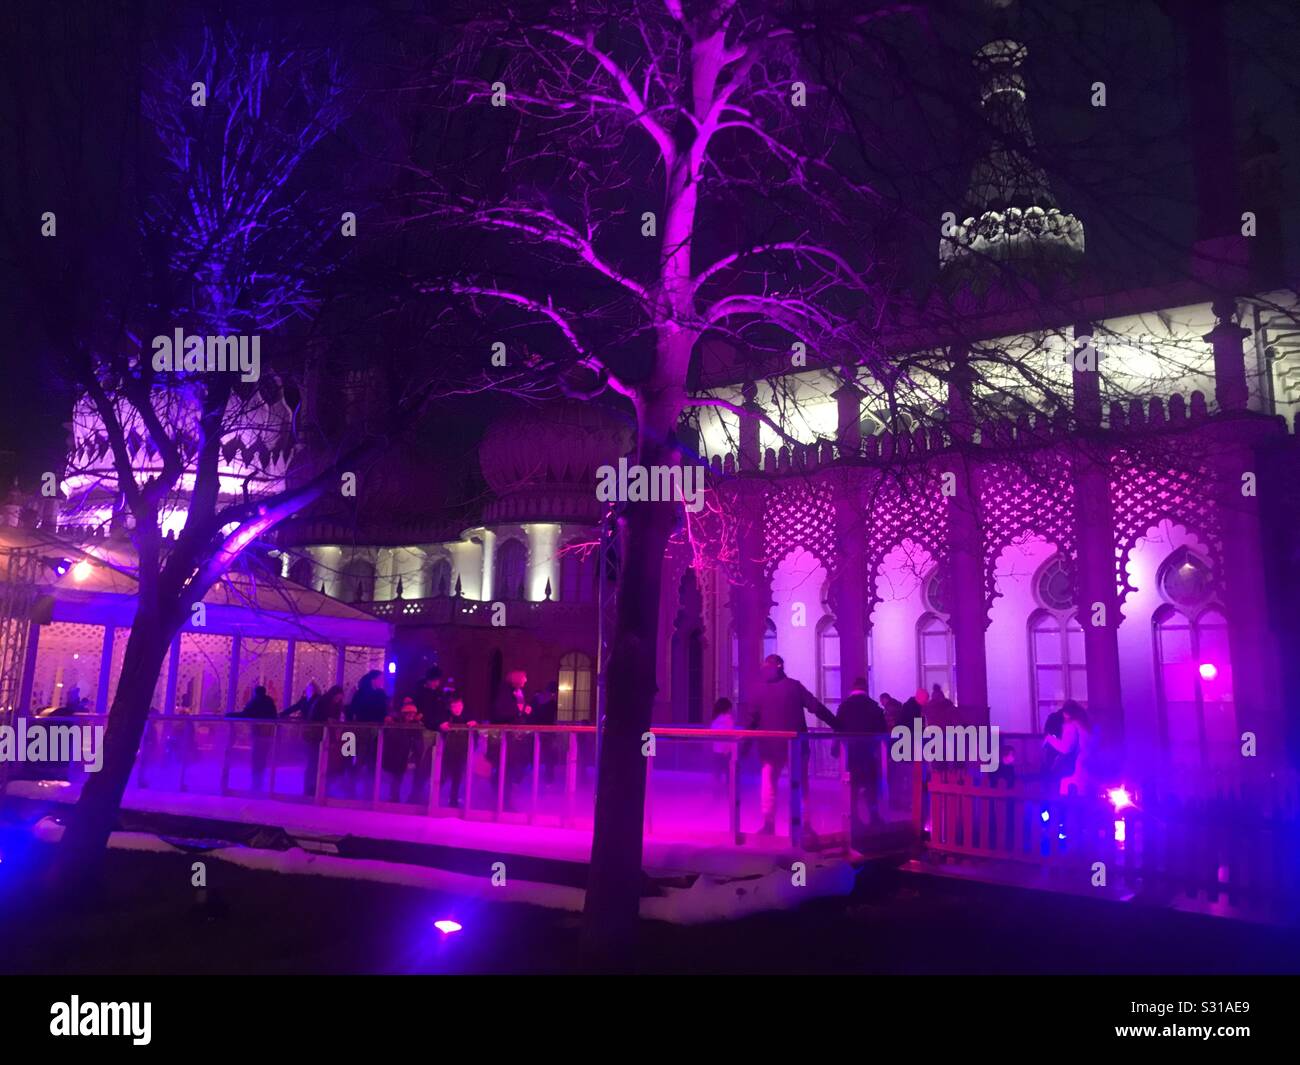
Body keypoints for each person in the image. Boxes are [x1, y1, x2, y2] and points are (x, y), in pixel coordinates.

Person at [746, 654, 839, 835]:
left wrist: (744, 743)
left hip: (769, 746)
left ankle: (768, 823)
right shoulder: (794, 687)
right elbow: (816, 707)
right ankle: (803, 823)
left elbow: (752, 720)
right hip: (795, 745)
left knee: (768, 784)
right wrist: (837, 724)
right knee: (800, 785)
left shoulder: (758, 691)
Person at [835, 678, 887, 832]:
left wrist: (836, 747)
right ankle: (874, 815)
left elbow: (838, 727)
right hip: (869, 753)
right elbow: (882, 729)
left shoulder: (844, 706)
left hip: (850, 753)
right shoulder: (873, 707)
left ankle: (854, 817)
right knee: (871, 786)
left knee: (853, 787)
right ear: (865, 688)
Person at [488, 669, 532, 808]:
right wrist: (521, 710)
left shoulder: (516, 692)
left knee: (511, 768)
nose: (526, 680)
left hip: (513, 737)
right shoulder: (506, 692)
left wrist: (523, 711)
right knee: (506, 769)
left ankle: (505, 799)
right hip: (506, 738)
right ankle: (504, 801)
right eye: (524, 678)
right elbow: (503, 711)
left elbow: (516, 711)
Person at [345, 670, 388, 798]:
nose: (382, 681)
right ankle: (364, 789)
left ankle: (358, 788)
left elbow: (352, 709)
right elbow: (380, 711)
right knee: (366, 759)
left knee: (363, 759)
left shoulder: (360, 693)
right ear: (373, 680)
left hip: (364, 730)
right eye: (380, 679)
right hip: (369, 730)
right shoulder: (377, 695)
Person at [411, 668, 451, 802]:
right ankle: (417, 794)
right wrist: (437, 724)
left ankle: (428, 794)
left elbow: (441, 710)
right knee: (423, 763)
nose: (436, 683)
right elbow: (424, 714)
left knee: (435, 764)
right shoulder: (422, 694)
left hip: (438, 729)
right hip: (429, 730)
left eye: (437, 681)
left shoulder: (438, 694)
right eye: (434, 681)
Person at [229, 685, 277, 793]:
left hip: (258, 733)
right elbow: (274, 715)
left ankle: (256, 782)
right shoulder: (269, 702)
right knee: (263, 757)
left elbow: (245, 713)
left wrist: (230, 714)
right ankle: (260, 780)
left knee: (256, 757)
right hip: (268, 733)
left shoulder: (255, 701)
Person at [1043, 701, 1092, 796]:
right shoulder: (1084, 725)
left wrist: (1050, 738)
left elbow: (1066, 748)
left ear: (1066, 713)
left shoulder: (1071, 726)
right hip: (1085, 767)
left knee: (1065, 798)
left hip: (1074, 767)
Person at [438, 695, 477, 808]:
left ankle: (453, 800)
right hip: (448, 752)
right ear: (450, 708)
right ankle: (434, 798)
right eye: (454, 706)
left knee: (457, 776)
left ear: (462, 706)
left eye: (459, 706)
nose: (457, 709)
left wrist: (474, 724)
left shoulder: (468, 717)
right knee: (443, 776)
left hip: (462, 752)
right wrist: (441, 725)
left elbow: (475, 734)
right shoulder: (446, 718)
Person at [382, 696, 422, 802]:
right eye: (409, 713)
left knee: (402, 777)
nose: (411, 716)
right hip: (396, 753)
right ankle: (394, 796)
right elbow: (389, 735)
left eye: (413, 714)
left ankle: (402, 797)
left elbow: (417, 739)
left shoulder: (415, 725)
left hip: (406, 754)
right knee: (396, 776)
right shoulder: (396, 722)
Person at [531, 681, 560, 786]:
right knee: (549, 758)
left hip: (535, 732)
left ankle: (533, 781)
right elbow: (552, 720)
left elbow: (529, 714)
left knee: (535, 755)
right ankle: (548, 781)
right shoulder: (552, 703)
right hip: (548, 732)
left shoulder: (536, 700)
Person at [709, 697, 736, 798]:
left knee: (717, 774)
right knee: (729, 774)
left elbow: (713, 735)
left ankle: (716, 794)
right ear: (727, 708)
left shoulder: (715, 720)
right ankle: (729, 794)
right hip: (726, 752)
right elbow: (730, 736)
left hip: (717, 751)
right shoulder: (728, 720)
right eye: (730, 708)